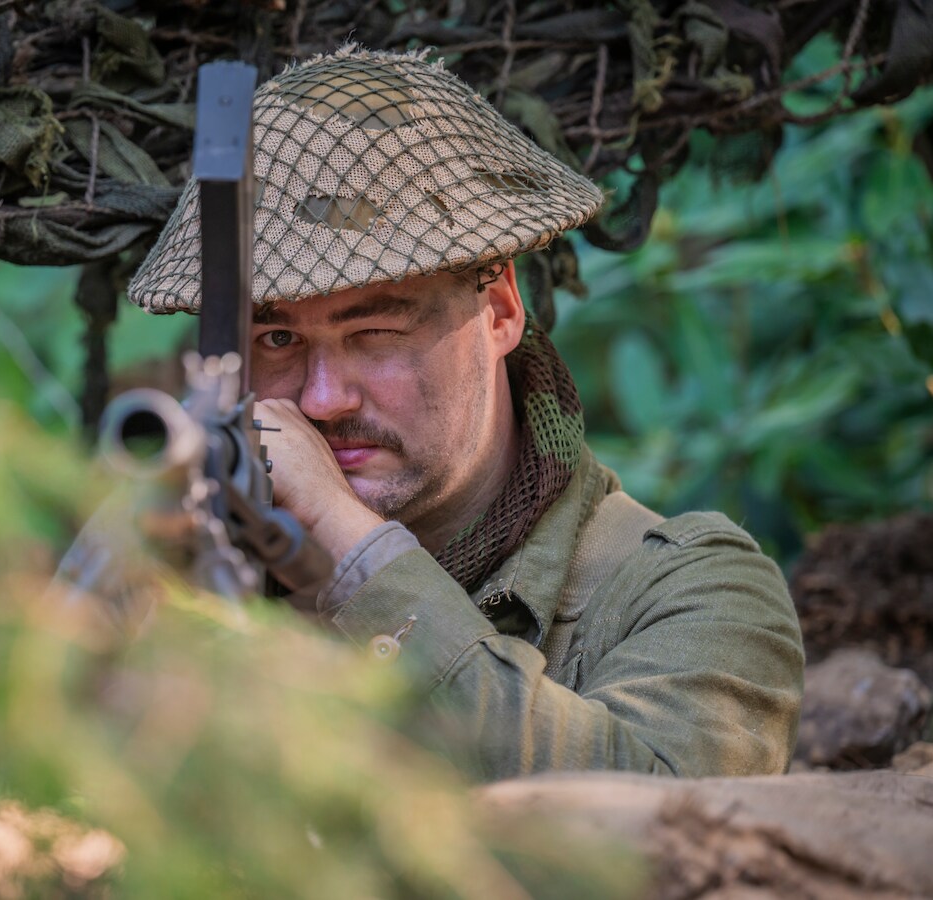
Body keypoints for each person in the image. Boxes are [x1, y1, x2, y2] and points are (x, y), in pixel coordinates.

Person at [121, 45, 804, 781]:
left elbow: (651, 836)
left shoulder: (691, 592)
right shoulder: (210, 572)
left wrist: (352, 547)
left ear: (502, 310)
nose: (321, 399)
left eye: (374, 333)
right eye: (278, 338)